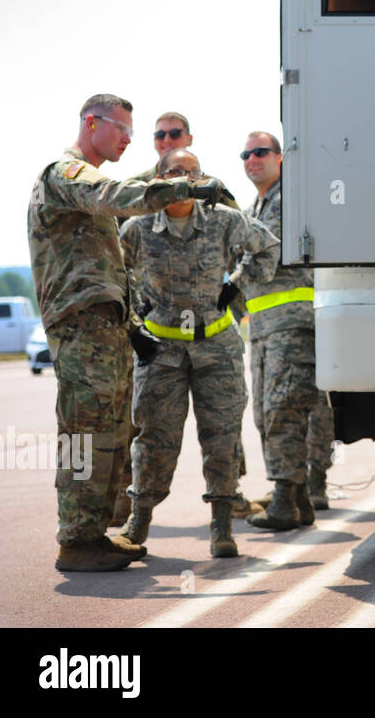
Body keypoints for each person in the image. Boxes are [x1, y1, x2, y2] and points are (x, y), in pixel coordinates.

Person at [27, 94, 228, 572]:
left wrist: (133, 326)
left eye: (132, 132)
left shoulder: (88, 181)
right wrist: (186, 189)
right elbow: (115, 195)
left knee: (113, 431)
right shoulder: (65, 173)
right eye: (121, 129)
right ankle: (76, 540)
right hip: (82, 325)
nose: (128, 140)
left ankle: (94, 533)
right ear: (91, 123)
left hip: (107, 327)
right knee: (84, 432)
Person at [119, 149, 279, 557]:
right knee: (154, 439)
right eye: (176, 171)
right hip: (161, 351)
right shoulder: (137, 227)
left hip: (217, 349)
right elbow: (113, 273)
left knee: (222, 437)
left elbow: (267, 247)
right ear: (159, 180)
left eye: (193, 173)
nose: (185, 180)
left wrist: (237, 283)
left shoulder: (223, 220)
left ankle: (222, 526)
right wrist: (134, 319)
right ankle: (138, 520)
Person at [237, 132, 338, 529]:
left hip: (292, 324)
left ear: (280, 157)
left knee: (284, 410)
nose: (252, 159)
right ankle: (297, 498)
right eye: (246, 154)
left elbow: (266, 255)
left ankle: (287, 498)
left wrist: (231, 282)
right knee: (266, 413)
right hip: (265, 327)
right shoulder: (254, 208)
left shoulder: (288, 201)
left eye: (261, 152)